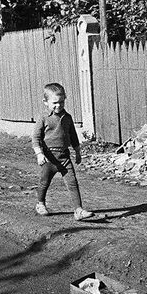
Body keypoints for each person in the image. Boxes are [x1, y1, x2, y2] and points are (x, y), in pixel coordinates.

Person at [31, 82, 94, 220]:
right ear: (45, 102)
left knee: (72, 182)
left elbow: (73, 136)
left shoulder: (68, 117)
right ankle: (40, 204)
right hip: (49, 158)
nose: (58, 105)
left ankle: (78, 210)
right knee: (44, 182)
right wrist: (39, 154)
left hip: (64, 157)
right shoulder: (43, 118)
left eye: (61, 102)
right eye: (54, 103)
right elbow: (35, 138)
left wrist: (77, 152)